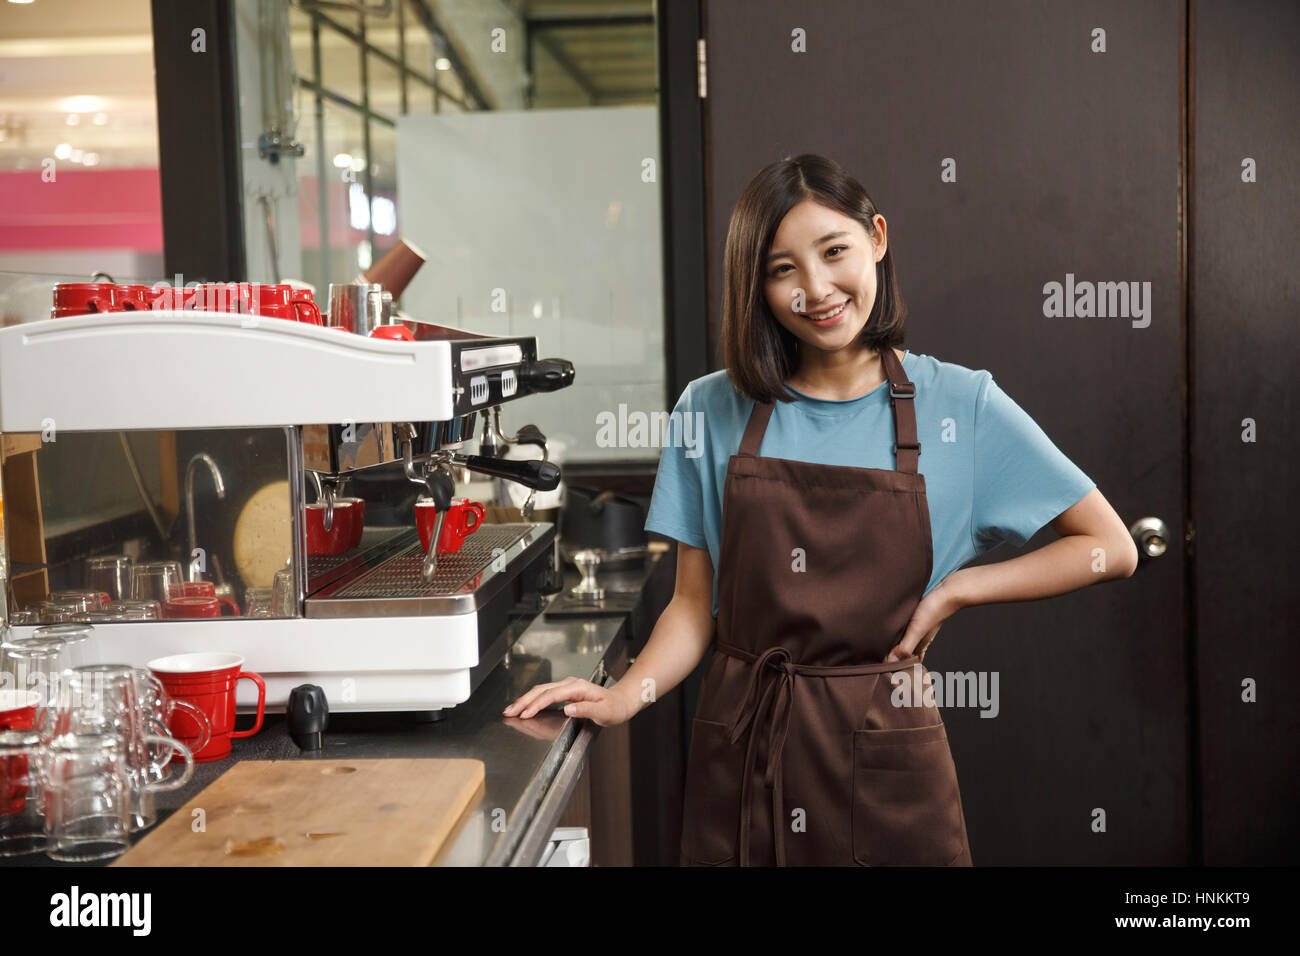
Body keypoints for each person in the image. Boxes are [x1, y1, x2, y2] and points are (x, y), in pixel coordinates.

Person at [503, 153, 1138, 866]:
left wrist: (959, 590)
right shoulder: (710, 409)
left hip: (889, 757)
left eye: (834, 251)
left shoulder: (962, 406)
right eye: (782, 270)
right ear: (757, 286)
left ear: (878, 237)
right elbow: (692, 606)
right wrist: (624, 695)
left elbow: (1110, 547)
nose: (816, 289)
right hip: (742, 747)